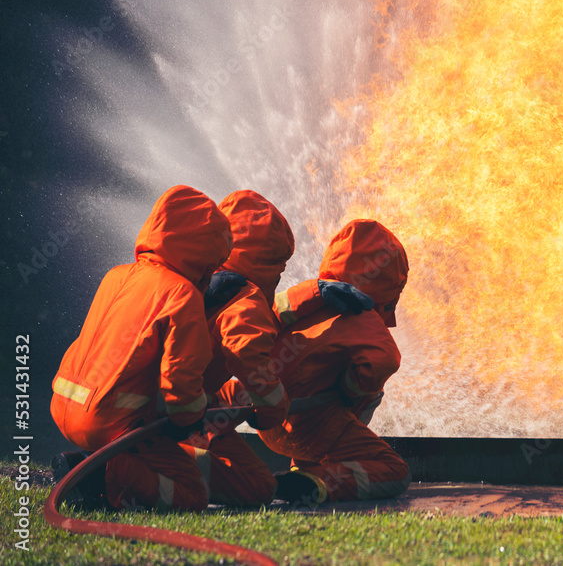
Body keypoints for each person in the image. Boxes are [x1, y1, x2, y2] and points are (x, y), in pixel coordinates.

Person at [177, 190, 374, 506]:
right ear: (265, 264)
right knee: (258, 488)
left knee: (250, 471)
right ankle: (134, 468)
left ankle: (166, 455)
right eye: (279, 269)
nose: (281, 277)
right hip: (164, 420)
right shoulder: (243, 298)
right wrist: (272, 406)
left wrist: (316, 292)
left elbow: (269, 315)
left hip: (173, 411)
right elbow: (248, 345)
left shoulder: (192, 281)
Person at [50, 185, 232, 510]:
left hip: (63, 407)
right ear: (205, 254)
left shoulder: (116, 275)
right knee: (192, 494)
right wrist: (189, 417)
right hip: (109, 426)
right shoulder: (182, 295)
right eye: (214, 260)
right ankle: (100, 472)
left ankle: (90, 463)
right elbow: (181, 378)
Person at [257, 219, 411, 505]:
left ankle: (302, 473)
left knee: (316, 379)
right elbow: (385, 360)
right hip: (313, 427)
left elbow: (261, 315)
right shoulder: (363, 316)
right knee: (395, 471)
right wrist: (350, 390)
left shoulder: (309, 297)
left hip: (267, 422)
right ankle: (318, 482)